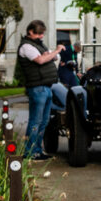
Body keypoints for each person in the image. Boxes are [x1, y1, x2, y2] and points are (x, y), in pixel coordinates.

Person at [16, 19, 63, 161]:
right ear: (30, 32)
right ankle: (30, 152)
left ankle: (38, 150)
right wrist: (56, 50)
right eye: (38, 34)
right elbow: (41, 60)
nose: (41, 36)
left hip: (46, 87)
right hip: (37, 88)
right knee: (35, 121)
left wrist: (51, 54)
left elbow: (54, 58)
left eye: (42, 33)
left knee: (44, 121)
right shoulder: (26, 47)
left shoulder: (39, 45)